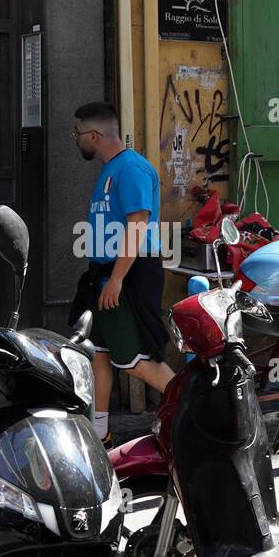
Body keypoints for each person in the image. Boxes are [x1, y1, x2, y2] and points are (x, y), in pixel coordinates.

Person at [67, 101, 173, 445]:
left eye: (77, 133)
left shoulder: (131, 169)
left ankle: (189, 407)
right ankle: (99, 433)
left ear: (94, 135)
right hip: (104, 274)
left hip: (128, 274)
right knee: (99, 353)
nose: (75, 139)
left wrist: (117, 280)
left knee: (135, 360)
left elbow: (137, 225)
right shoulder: (110, 170)